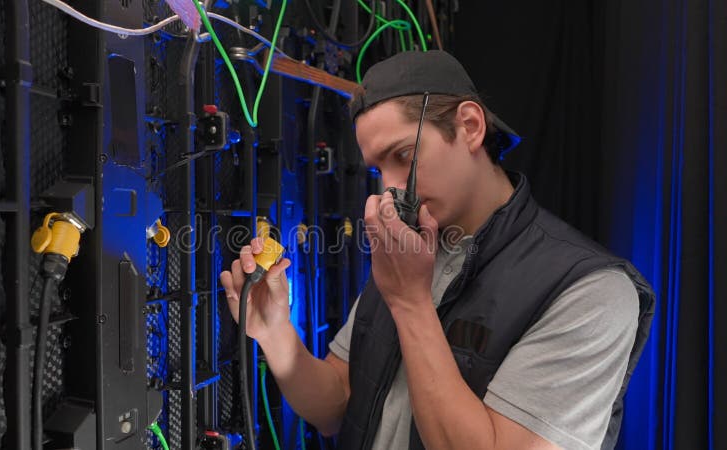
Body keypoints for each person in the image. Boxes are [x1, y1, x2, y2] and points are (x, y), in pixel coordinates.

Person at [220, 50, 655, 450]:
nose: (389, 188)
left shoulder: (591, 291)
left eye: (404, 155)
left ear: (470, 126)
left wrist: (410, 301)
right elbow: (336, 404)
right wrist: (276, 334)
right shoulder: (411, 254)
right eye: (378, 168)